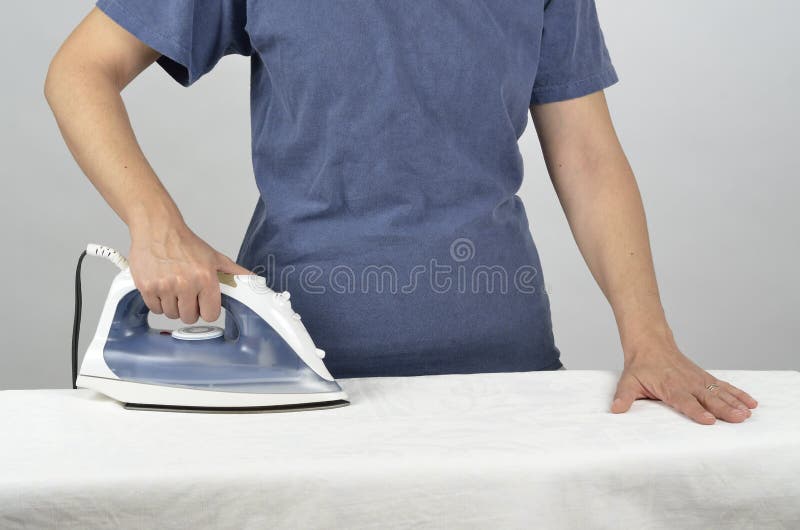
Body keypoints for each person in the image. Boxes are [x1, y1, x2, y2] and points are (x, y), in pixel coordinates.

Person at [45, 0, 757, 425]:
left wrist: (648, 339)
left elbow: (590, 160)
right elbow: (80, 71)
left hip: (506, 379)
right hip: (301, 385)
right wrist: (158, 226)